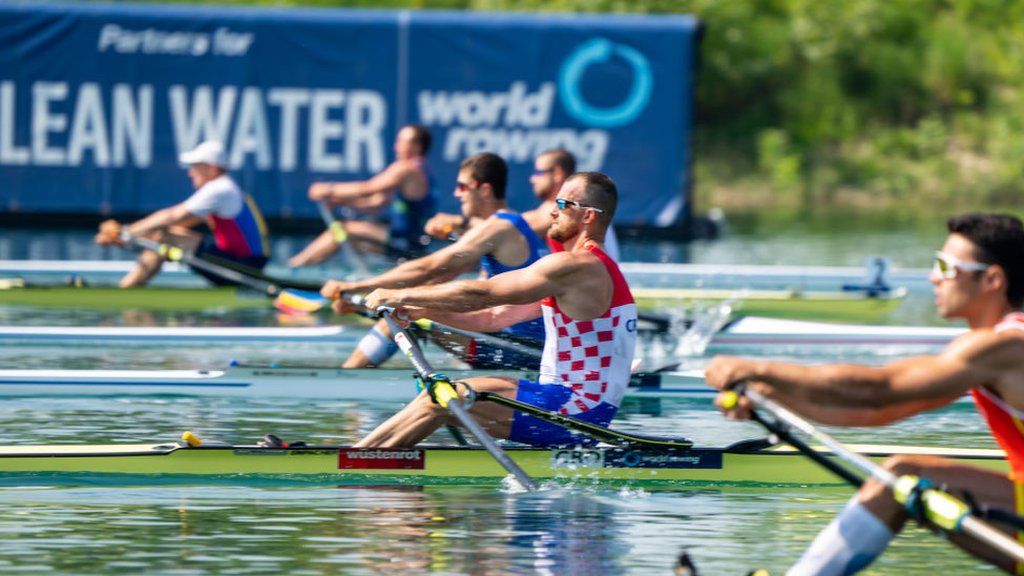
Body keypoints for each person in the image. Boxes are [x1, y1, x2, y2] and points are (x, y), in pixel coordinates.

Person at [704, 213, 1024, 575]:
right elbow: (874, 414)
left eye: (945, 266)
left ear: (992, 279)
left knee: (904, 476)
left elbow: (878, 391)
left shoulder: (1006, 347)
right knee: (903, 476)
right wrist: (771, 395)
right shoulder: (997, 351)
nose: (933, 277)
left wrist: (757, 368)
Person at [354, 171, 637, 448]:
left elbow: (482, 294)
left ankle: (352, 464)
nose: (552, 211)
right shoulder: (583, 271)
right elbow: (493, 316)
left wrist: (398, 295)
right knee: (439, 396)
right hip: (565, 402)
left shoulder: (579, 267)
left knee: (440, 400)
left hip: (575, 411)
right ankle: (364, 457)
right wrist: (421, 311)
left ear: (588, 215)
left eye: (563, 204)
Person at [320, 152, 544, 370]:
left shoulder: (499, 228)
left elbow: (428, 267)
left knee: (407, 316)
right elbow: (441, 277)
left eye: (463, 187)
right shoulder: (507, 224)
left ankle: (345, 378)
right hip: (504, 336)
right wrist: (369, 300)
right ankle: (352, 373)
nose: (457, 194)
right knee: (410, 304)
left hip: (518, 348)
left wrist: (353, 286)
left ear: (485, 190)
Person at [94, 140, 270, 287]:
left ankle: (126, 290)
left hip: (245, 267)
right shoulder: (226, 188)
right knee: (164, 235)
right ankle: (130, 286)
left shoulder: (220, 189)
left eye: (195, 166)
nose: (190, 173)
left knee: (166, 238)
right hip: (243, 262)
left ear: (212, 169)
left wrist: (125, 232)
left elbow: (171, 216)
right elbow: (175, 226)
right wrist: (126, 238)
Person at [424, 149, 621, 260]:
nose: (532, 179)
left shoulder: (572, 211)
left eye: (538, 172)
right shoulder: (552, 210)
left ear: (558, 173)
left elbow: (512, 228)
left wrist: (457, 222)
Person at [288, 124, 435, 266]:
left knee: (341, 229)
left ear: (417, 146)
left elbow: (367, 188)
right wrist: (339, 201)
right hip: (409, 243)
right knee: (343, 237)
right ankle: (299, 272)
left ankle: (293, 269)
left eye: (402, 142)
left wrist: (328, 189)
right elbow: (377, 203)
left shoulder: (406, 168)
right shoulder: (421, 169)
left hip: (404, 242)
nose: (396, 146)